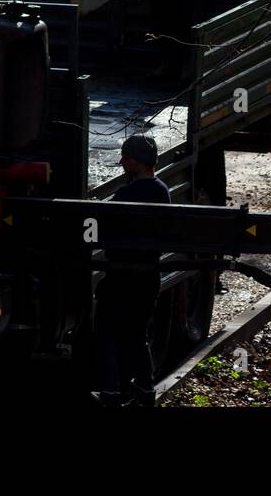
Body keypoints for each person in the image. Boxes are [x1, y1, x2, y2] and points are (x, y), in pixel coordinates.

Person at [92, 134, 171, 407]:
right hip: (149, 276)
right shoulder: (162, 191)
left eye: (126, 158)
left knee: (106, 330)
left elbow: (103, 231)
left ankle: (111, 392)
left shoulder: (126, 194)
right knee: (137, 334)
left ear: (136, 162)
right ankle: (145, 391)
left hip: (122, 276)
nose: (122, 163)